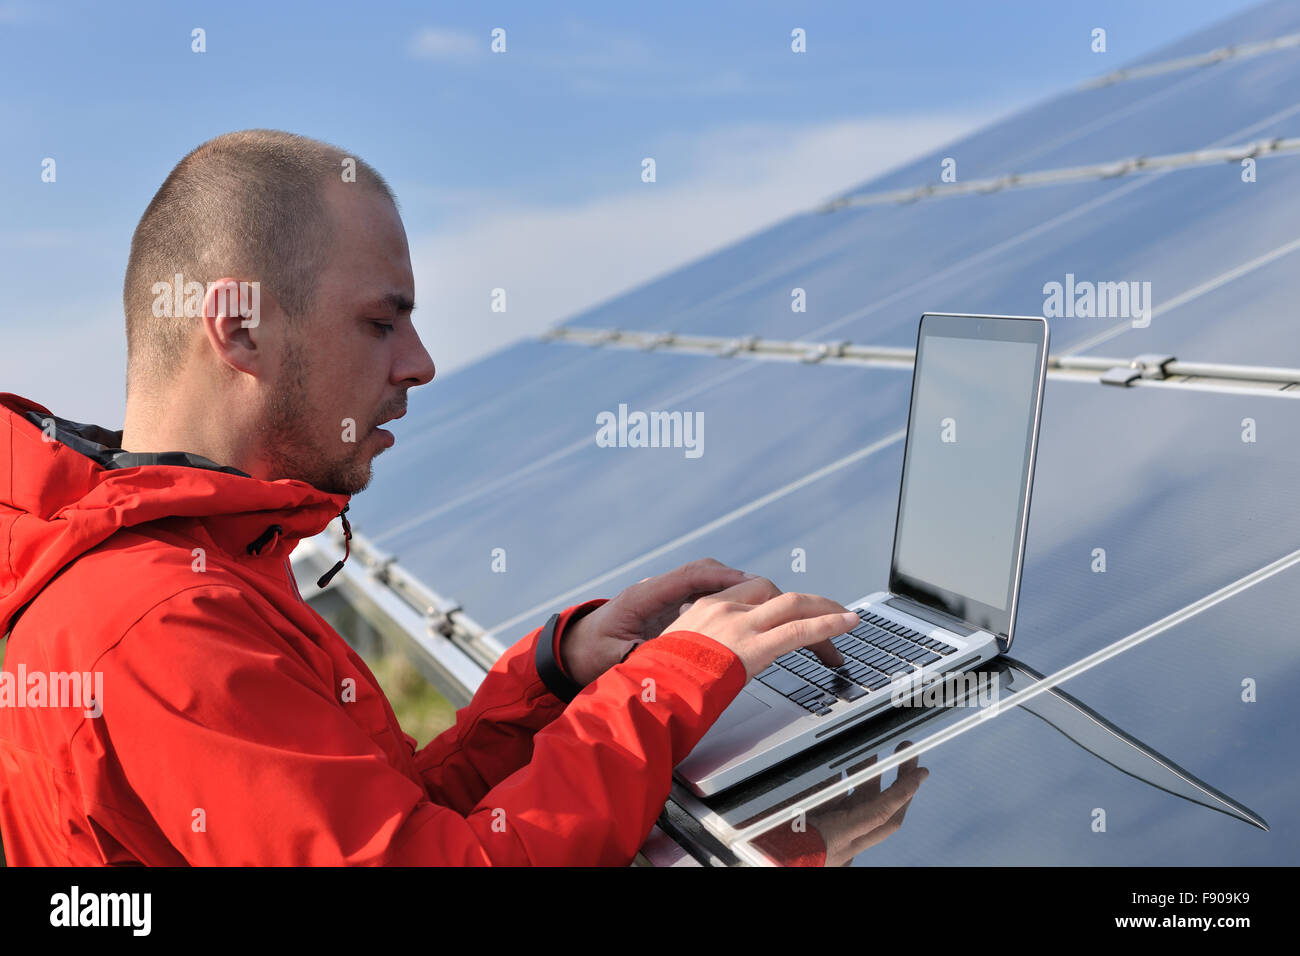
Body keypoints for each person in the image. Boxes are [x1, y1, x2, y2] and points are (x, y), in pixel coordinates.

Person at [0, 129, 887, 866]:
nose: (419, 363)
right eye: (381, 323)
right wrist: (668, 686)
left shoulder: (197, 564)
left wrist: (555, 678)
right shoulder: (161, 627)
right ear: (240, 330)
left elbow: (393, 830)